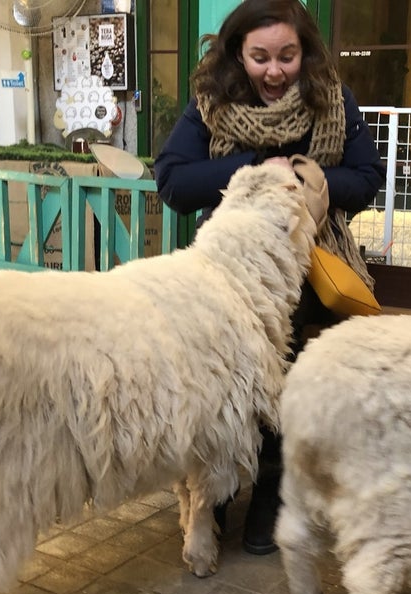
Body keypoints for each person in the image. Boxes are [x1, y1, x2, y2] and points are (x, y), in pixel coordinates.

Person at [154, 0, 384, 555]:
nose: (275, 71)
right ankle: (215, 494)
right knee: (218, 381)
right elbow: (174, 182)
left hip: (309, 266)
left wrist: (305, 179)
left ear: (305, 53)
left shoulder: (334, 102)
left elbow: (365, 179)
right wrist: (257, 169)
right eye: (260, 57)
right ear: (238, 54)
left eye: (287, 55)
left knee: (287, 380)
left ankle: (271, 493)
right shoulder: (211, 104)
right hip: (231, 271)